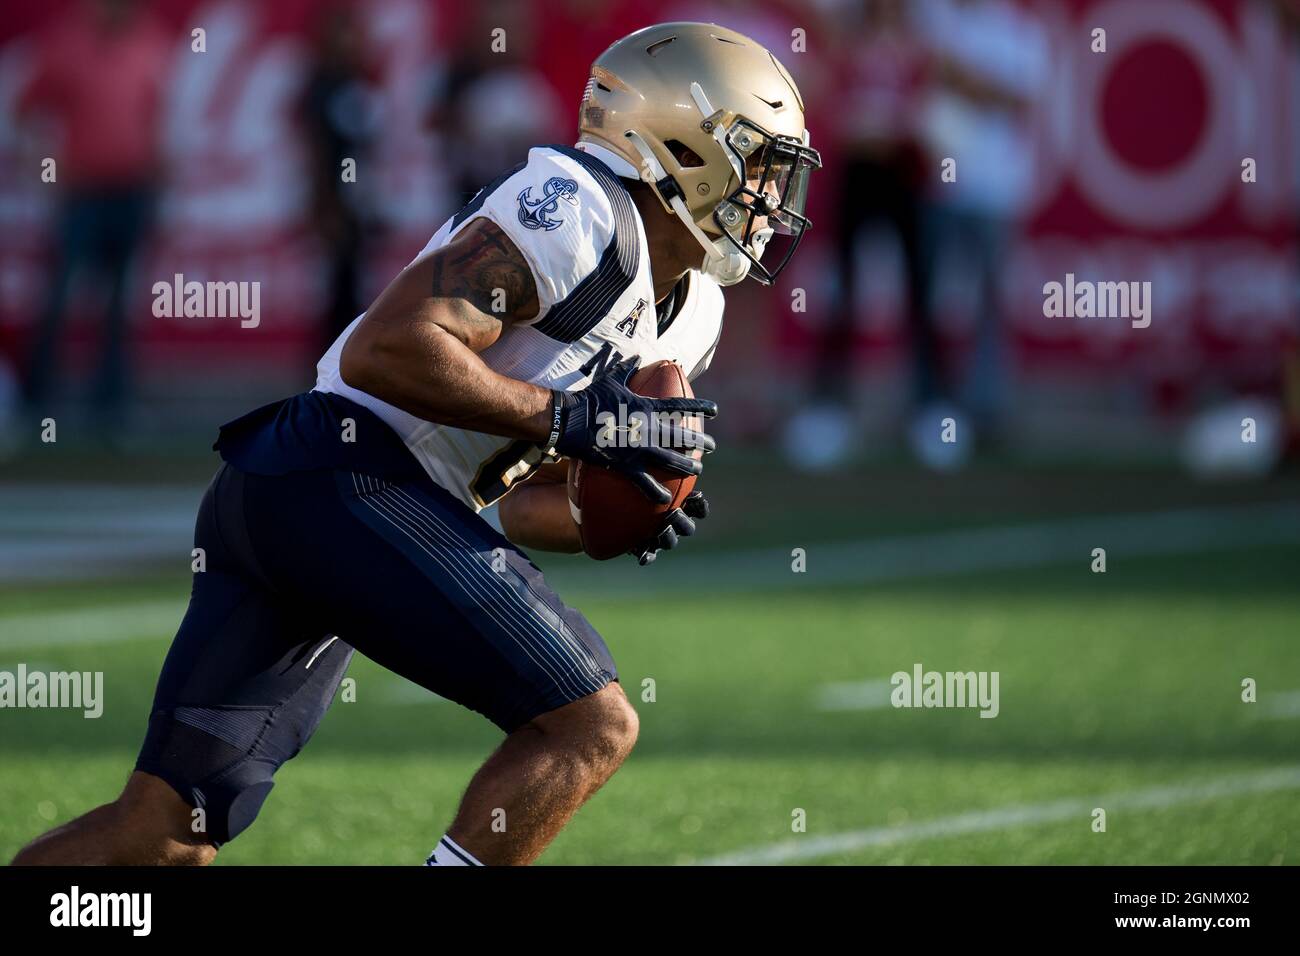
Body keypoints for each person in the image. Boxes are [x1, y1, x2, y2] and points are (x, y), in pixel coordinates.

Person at [11, 22, 821, 867]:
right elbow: (388, 347)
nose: (772, 192)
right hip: (342, 471)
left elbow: (507, 505)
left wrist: (603, 514)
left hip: (331, 496)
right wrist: (569, 419)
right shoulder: (577, 209)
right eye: (759, 161)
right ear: (680, 145)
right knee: (590, 723)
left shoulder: (693, 315)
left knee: (163, 838)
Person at [16, 0, 171, 430]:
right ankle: (38, 397)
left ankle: (111, 402)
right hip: (83, 192)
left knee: (121, 300)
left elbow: (155, 112)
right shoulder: (67, 41)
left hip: (133, 189)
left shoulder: (149, 38)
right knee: (61, 293)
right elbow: (25, 108)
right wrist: (42, 164)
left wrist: (160, 171)